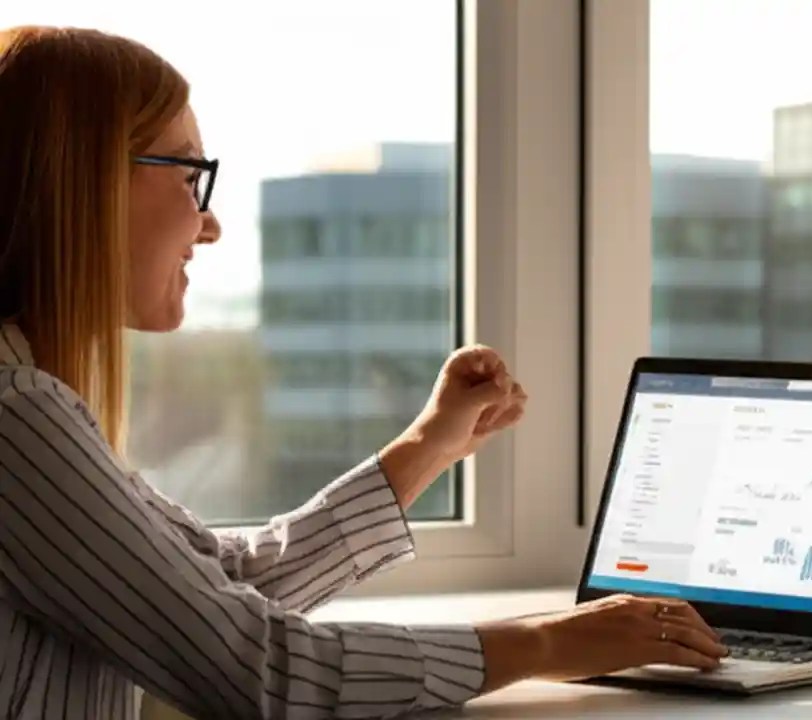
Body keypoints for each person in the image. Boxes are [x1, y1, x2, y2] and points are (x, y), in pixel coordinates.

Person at [0, 25, 726, 719]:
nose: (209, 223)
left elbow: (222, 585)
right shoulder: (16, 413)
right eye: (190, 175)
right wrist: (545, 642)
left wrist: (427, 449)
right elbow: (256, 669)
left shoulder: (30, 403)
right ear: (81, 182)